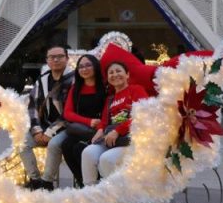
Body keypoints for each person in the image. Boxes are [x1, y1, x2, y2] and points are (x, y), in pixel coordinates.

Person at [80, 61, 149, 185]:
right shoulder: (110, 98)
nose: (115, 74)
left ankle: (113, 197)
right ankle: (91, 193)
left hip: (130, 140)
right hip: (110, 139)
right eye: (111, 73)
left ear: (127, 74)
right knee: (88, 152)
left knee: (107, 159)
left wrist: (118, 131)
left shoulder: (136, 90)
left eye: (118, 71)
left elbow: (142, 116)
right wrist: (100, 129)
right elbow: (105, 121)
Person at [21, 44, 74, 191]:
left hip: (67, 127)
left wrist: (49, 132)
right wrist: (37, 130)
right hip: (44, 126)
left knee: (54, 144)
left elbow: (70, 112)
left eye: (60, 56)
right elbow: (32, 106)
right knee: (22, 142)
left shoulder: (75, 80)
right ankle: (35, 180)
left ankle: (47, 182)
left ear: (67, 58)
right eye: (52, 57)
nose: (56, 60)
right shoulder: (42, 80)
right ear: (47, 60)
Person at [59, 54, 107, 188]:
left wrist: (100, 127)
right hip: (82, 128)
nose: (84, 69)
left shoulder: (105, 86)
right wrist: (89, 121)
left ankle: (95, 183)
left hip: (100, 129)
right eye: (81, 66)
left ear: (95, 67)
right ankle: (82, 183)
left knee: (79, 149)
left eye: (88, 65)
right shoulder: (75, 88)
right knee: (66, 145)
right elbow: (68, 113)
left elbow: (108, 110)